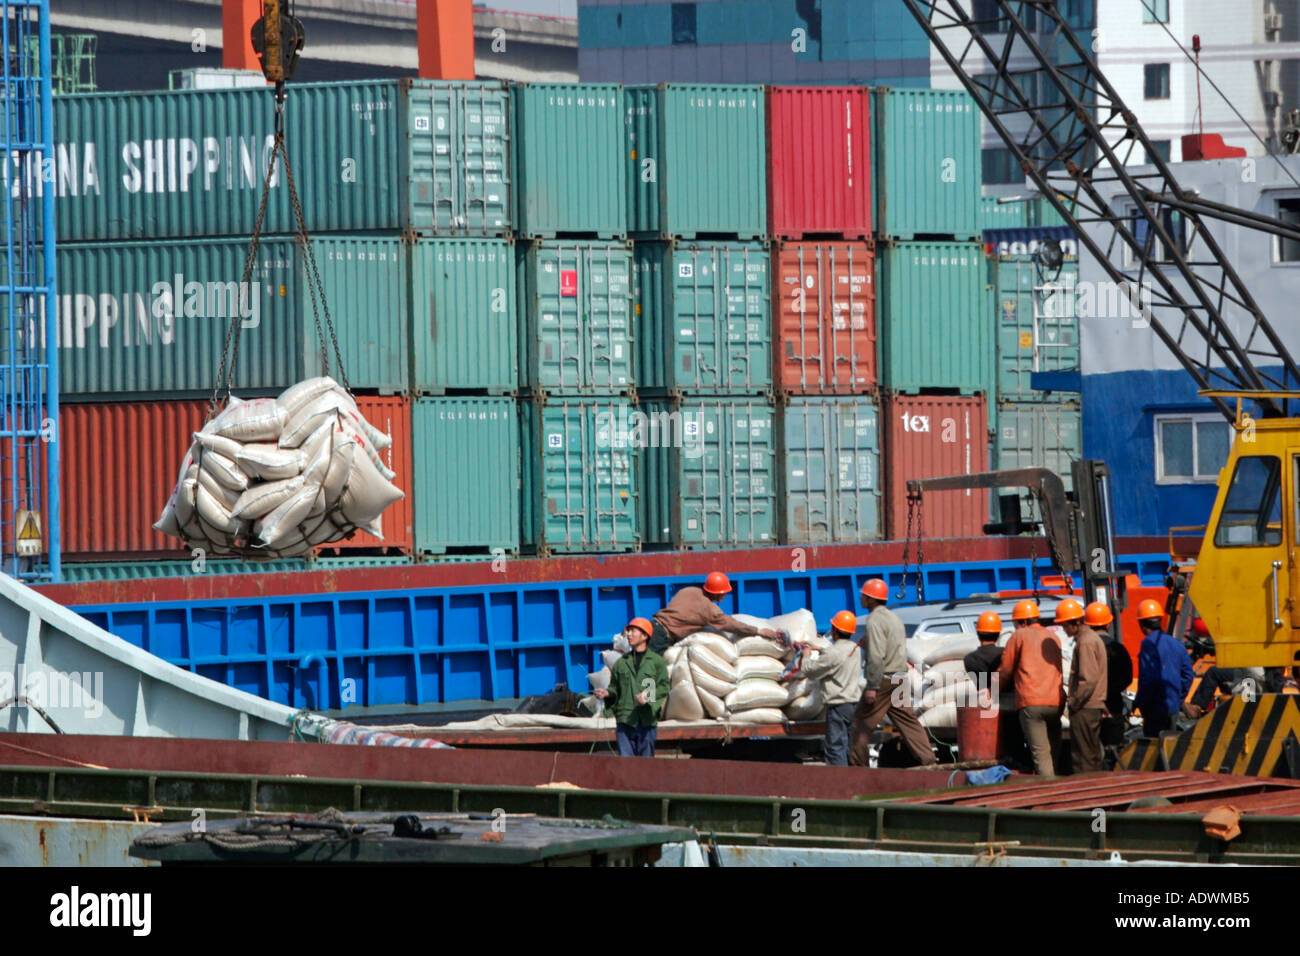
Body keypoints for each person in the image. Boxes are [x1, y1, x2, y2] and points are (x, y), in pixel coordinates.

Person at [849, 578, 936, 767]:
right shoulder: (894, 618)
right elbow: (892, 647)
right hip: (899, 678)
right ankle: (929, 762)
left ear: (871, 599)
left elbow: (876, 656)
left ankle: (858, 770)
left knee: (859, 726)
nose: (861, 598)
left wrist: (872, 686)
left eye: (864, 595)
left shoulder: (873, 620)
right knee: (908, 723)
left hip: (883, 681)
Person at [997, 599, 1064, 777]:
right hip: (1056, 701)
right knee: (1053, 751)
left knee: (1041, 755)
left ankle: (1049, 796)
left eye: (1016, 623)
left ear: (1024, 622)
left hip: (1032, 703)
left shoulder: (1019, 636)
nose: (1016, 627)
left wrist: (992, 690)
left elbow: (1005, 670)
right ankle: (1060, 786)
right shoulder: (1053, 637)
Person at [648, 572, 783, 655]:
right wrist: (758, 631)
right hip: (661, 637)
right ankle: (645, 701)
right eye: (724, 592)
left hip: (650, 627)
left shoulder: (689, 590)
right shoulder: (710, 610)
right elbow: (732, 625)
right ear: (719, 593)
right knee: (650, 674)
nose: (725, 595)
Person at [791, 610, 863, 767]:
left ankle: (838, 783)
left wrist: (807, 655)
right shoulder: (855, 649)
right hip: (853, 705)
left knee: (835, 747)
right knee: (849, 747)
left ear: (835, 630)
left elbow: (810, 671)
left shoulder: (833, 652)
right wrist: (821, 649)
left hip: (838, 707)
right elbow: (838, 656)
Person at [593, 617, 670, 757]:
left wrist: (648, 697)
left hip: (647, 721)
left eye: (633, 631)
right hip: (625, 721)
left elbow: (663, 687)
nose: (628, 634)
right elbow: (614, 688)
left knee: (646, 768)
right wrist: (606, 694)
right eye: (628, 631)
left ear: (645, 635)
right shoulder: (621, 663)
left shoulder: (657, 662)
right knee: (626, 766)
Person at [1057, 598, 1106, 774]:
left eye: (1064, 624)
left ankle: (1085, 790)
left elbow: (1088, 679)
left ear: (1075, 623)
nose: (1063, 628)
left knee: (1082, 756)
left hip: (1085, 707)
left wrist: (1074, 702)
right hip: (1091, 705)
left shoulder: (1085, 642)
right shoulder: (1090, 639)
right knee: (1091, 754)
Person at [1133, 599, 1194, 738]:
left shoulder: (1148, 644)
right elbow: (1188, 675)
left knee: (1154, 748)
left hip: (1154, 707)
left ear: (1141, 624)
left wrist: (1140, 701)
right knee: (1168, 746)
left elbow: (1149, 679)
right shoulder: (1177, 644)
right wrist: (1178, 697)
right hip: (1172, 706)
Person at [1086, 601, 1132, 749]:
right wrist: (1111, 691)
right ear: (1108, 624)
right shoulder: (1118, 648)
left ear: (1088, 625)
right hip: (1114, 705)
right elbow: (1128, 677)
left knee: (1091, 750)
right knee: (1114, 749)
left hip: (1091, 706)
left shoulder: (1085, 648)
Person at [964, 611, 1004, 679]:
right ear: (998, 634)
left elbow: (982, 683)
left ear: (978, 634)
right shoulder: (1006, 654)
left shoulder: (970, 659)